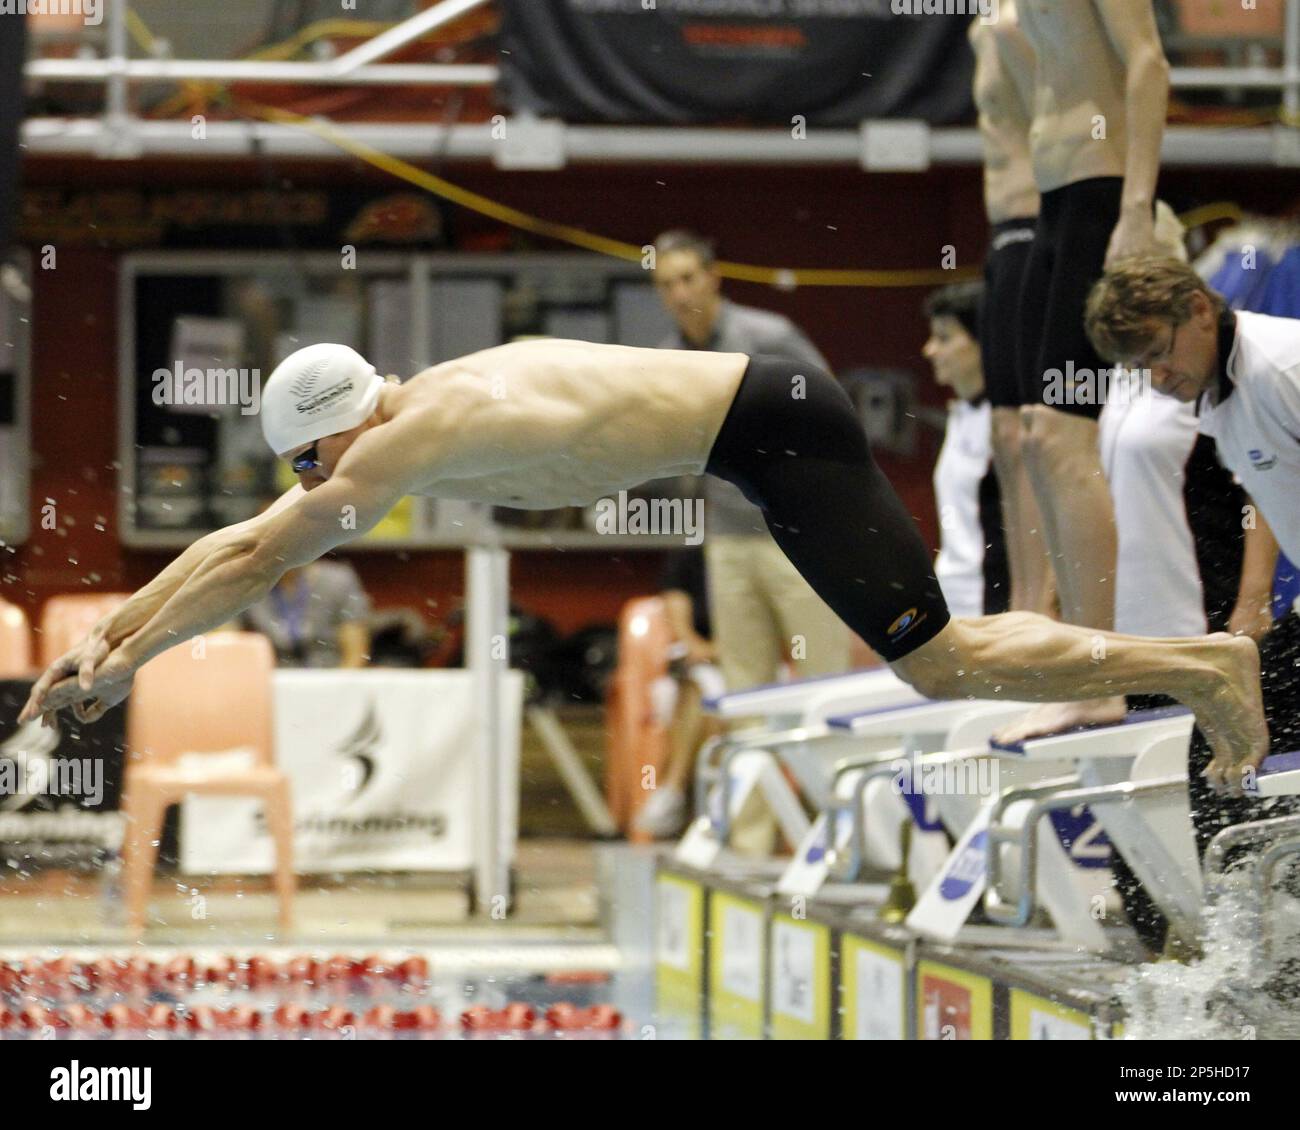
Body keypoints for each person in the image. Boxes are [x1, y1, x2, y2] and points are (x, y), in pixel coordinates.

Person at [19, 338, 1268, 794]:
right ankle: (1197, 664)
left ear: (340, 426)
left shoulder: (415, 435)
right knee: (938, 663)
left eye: (310, 464)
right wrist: (110, 637)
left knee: (938, 662)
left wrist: (132, 654)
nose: (309, 487)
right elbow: (243, 539)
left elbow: (251, 558)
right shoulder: (411, 406)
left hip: (777, 430)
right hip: (764, 432)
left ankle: (1203, 662)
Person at [1082, 255, 1300, 850]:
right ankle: (1243, 932)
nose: (1155, 376)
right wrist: (1255, 604)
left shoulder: (1283, 365)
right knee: (1223, 741)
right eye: (1137, 365)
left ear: (1200, 309)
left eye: (1157, 351)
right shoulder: (1216, 392)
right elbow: (1270, 485)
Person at [1007, 0, 1172, 739]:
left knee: (1066, 439)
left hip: (1102, 197)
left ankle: (1100, 672)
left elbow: (1148, 61)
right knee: (1039, 436)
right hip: (1054, 201)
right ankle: (1077, 660)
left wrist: (1137, 208)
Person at [653, 229, 850, 687]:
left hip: (799, 536)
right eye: (666, 284)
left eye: (687, 278)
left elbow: (831, 406)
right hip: (727, 539)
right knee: (744, 690)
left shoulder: (768, 337)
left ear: (713, 277)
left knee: (824, 679)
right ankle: (752, 762)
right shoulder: (663, 360)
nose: (679, 294)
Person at [968, 1, 1053, 615]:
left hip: (1034, 226)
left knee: (1033, 427)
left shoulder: (1025, 23)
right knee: (1003, 428)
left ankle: (1041, 598)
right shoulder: (984, 28)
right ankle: (1021, 597)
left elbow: (1061, 105)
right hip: (1003, 236)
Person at [922, 281, 1010, 618]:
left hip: (995, 610)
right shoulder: (960, 415)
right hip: (955, 604)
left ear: (984, 341)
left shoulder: (1008, 425)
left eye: (944, 338)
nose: (929, 349)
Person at [634, 547, 724, 840]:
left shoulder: (766, 554)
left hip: (745, 668)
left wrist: (724, 652)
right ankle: (712, 801)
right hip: (696, 667)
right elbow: (681, 621)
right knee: (701, 690)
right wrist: (701, 647)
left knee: (710, 699)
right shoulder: (691, 555)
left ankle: (676, 787)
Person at [239, 560, 371, 669]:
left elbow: (355, 654)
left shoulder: (338, 581)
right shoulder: (247, 584)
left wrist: (337, 691)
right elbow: (225, 638)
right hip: (268, 680)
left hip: (329, 676)